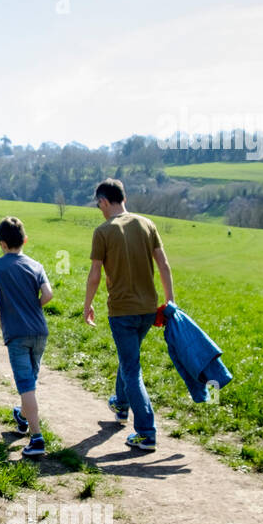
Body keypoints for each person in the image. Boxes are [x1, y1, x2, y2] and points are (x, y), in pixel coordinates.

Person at [82, 179, 174, 451]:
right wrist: (170, 302)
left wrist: (87, 305)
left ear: (104, 201)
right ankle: (120, 405)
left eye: (99, 204)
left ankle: (146, 431)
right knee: (129, 358)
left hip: (122, 311)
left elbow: (95, 274)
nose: (99, 209)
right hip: (148, 309)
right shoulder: (147, 225)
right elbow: (164, 265)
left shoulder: (103, 231)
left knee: (132, 368)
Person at [0, 216, 54, 458]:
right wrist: (35, 306)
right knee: (30, 384)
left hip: (16, 334)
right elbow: (48, 294)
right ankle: (22, 416)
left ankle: (37, 439)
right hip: (39, 331)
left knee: (26, 386)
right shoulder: (36, 265)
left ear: (2, 244)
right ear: (25, 240)